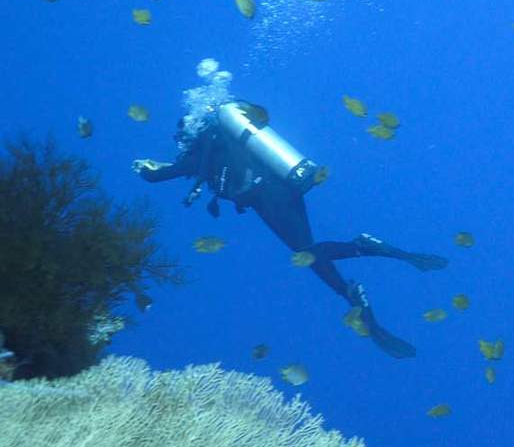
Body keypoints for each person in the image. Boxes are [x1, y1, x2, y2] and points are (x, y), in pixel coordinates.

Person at [134, 101, 445, 357]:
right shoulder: (222, 144)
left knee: (306, 252)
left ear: (191, 133)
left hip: (266, 197)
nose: (182, 147)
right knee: (308, 251)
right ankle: (357, 280)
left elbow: (169, 172)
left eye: (182, 140)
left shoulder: (204, 149)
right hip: (282, 188)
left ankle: (360, 263)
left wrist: (148, 171)